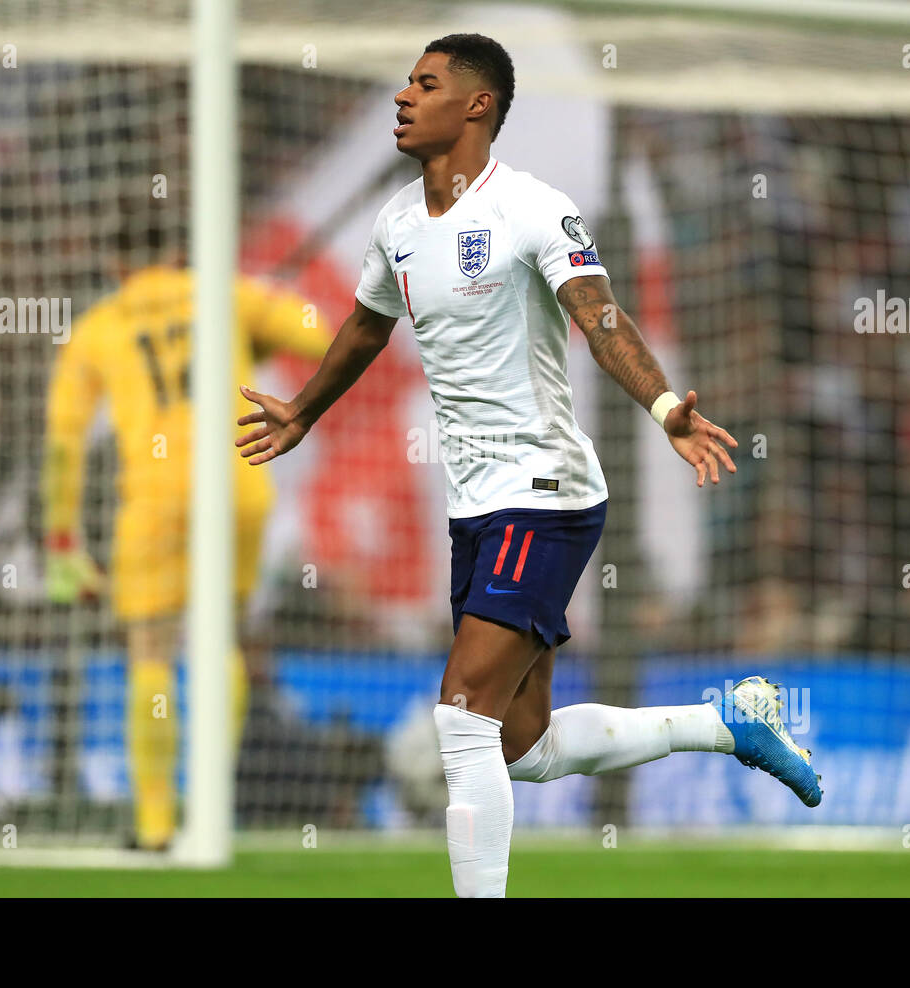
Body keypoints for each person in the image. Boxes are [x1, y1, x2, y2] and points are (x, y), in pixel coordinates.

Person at [236, 34, 820, 897]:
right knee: (521, 748)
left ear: (476, 106)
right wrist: (303, 410)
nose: (403, 96)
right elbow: (365, 325)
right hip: (479, 508)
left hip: (543, 491)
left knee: (460, 716)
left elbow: (601, 316)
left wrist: (664, 408)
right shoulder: (397, 221)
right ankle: (732, 724)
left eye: (425, 84)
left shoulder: (535, 210)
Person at [45, 207, 329, 849]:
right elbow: (322, 332)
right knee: (219, 640)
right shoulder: (228, 294)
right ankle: (208, 809)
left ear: (114, 264)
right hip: (238, 482)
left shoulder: (97, 328)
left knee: (151, 649)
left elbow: (63, 441)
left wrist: (62, 538)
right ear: (175, 250)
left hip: (154, 498)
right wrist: (261, 336)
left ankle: (154, 826)